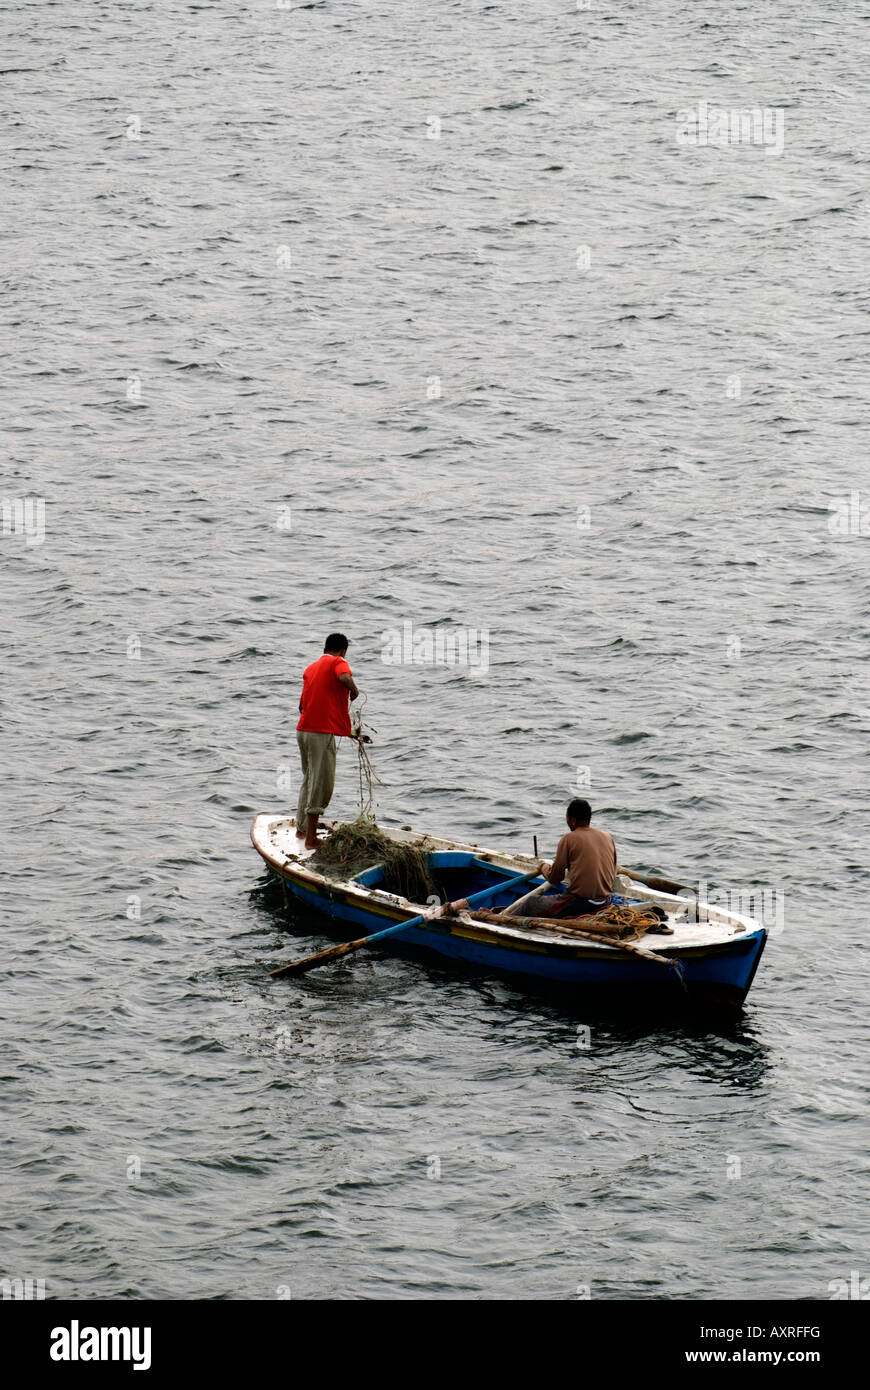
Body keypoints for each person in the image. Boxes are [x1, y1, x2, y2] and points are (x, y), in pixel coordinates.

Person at [295, 633, 360, 849]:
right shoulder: (338, 662)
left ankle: (302, 829)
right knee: (321, 784)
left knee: (309, 778)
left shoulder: (311, 668)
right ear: (343, 651)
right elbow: (343, 677)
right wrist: (354, 689)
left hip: (303, 731)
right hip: (320, 734)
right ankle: (311, 840)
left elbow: (301, 706)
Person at [513, 798, 617, 918]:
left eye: (567, 818)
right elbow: (612, 872)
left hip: (581, 902)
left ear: (572, 820)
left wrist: (543, 867)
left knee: (531, 903)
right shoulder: (607, 837)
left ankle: (503, 922)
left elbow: (556, 878)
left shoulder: (569, 838)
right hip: (605, 901)